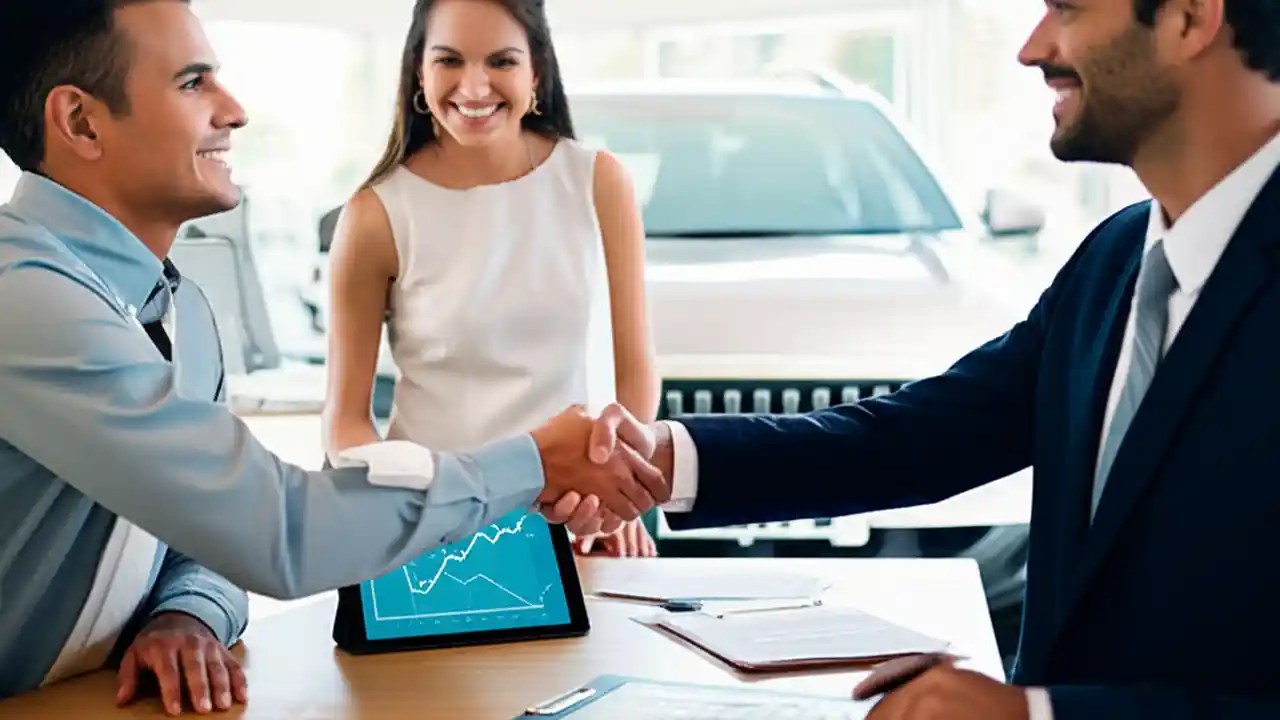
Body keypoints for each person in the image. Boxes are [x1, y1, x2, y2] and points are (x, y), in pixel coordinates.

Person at [562, 0, 1280, 717]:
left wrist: (1030, 714)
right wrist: (658, 458)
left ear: (1189, 17)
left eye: (1067, 9)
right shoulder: (1115, 259)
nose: (1033, 49)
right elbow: (921, 437)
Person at [0, 0, 664, 712]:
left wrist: (184, 613)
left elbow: (208, 538)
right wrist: (535, 461)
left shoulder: (182, 313)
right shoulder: (25, 300)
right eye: (194, 83)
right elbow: (276, 531)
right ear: (79, 122)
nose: (235, 110)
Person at [322, 0, 661, 558]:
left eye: (501, 61)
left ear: (537, 74)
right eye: (449, 60)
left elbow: (636, 371)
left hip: (577, 523)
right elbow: (345, 425)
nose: (474, 86)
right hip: (433, 531)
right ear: (418, 72)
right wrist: (406, 515)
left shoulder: (598, 181)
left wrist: (620, 496)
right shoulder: (374, 213)